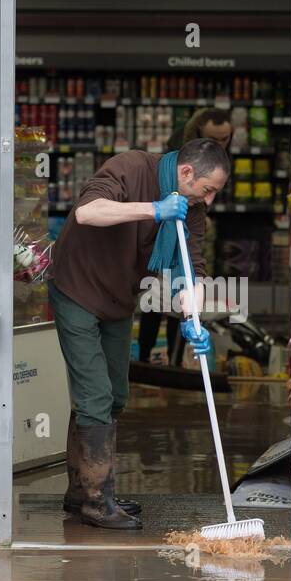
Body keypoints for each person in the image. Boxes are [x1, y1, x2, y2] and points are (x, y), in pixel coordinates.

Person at [47, 138, 231, 529]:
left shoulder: (191, 208)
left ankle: (81, 490)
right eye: (208, 189)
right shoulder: (131, 168)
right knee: (95, 394)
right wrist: (154, 210)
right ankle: (98, 501)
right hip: (76, 288)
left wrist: (192, 319)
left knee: (114, 393)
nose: (209, 200)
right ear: (185, 173)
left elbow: (190, 267)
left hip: (118, 298)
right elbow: (87, 212)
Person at [139, 107, 233, 363]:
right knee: (156, 298)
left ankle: (176, 357)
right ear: (199, 131)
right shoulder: (181, 146)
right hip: (167, 224)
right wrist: (163, 211)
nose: (221, 143)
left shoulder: (222, 157)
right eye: (215, 138)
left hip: (196, 221)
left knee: (184, 291)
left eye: (225, 138)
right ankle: (146, 357)